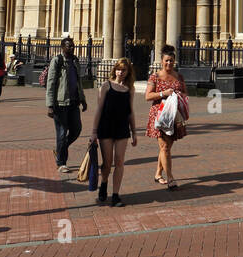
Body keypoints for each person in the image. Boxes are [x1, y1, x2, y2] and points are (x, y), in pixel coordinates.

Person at [90, 59, 137, 206]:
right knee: (107, 163)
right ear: (114, 70)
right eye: (118, 69)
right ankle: (104, 183)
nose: (120, 72)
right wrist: (94, 132)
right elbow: (99, 109)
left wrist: (134, 132)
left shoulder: (130, 89)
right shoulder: (106, 85)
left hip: (122, 128)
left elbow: (130, 112)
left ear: (128, 72)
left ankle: (116, 194)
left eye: (124, 70)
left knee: (119, 161)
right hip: (106, 127)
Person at [146, 45, 188, 189]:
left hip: (174, 116)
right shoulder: (155, 76)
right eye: (166, 61)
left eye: (171, 61)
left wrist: (179, 97)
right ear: (161, 61)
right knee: (165, 147)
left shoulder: (179, 76)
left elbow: (185, 93)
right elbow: (148, 96)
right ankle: (170, 178)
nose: (169, 63)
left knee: (166, 147)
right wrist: (164, 93)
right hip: (160, 115)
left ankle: (158, 173)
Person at [45, 37, 88, 172]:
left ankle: (59, 149)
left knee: (76, 130)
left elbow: (78, 82)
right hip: (60, 103)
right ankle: (61, 163)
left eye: (72, 46)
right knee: (62, 133)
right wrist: (50, 105)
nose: (71, 48)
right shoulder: (57, 61)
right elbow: (50, 83)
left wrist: (83, 99)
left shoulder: (75, 61)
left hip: (74, 102)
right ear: (62, 47)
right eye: (68, 46)